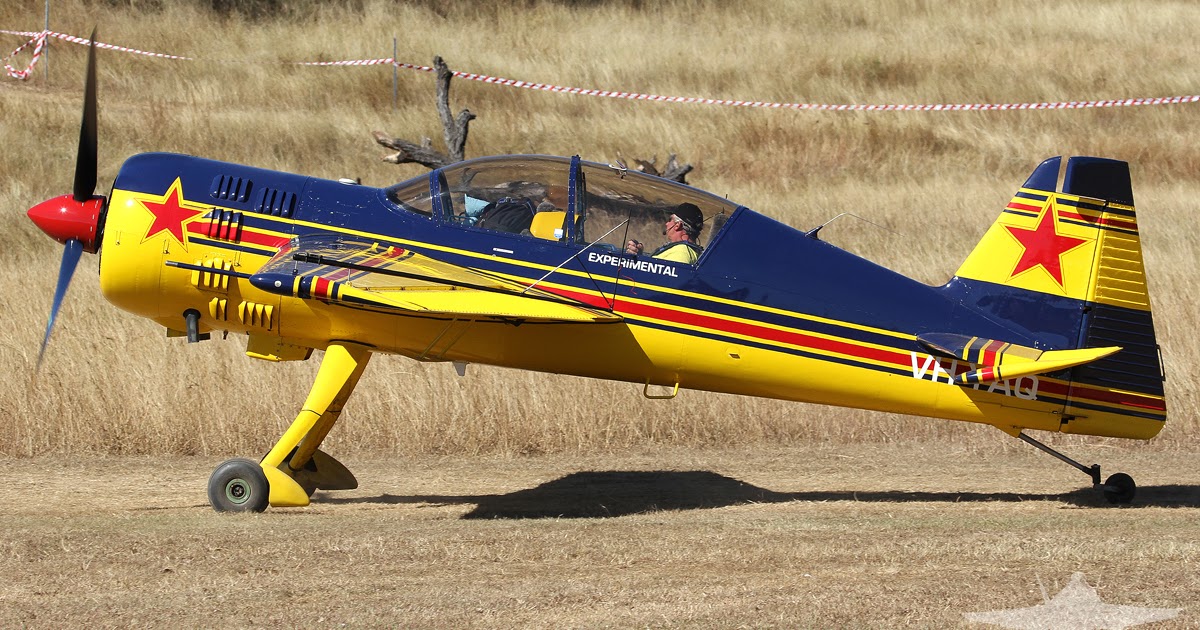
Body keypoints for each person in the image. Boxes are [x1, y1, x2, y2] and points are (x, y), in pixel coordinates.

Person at [625, 202, 704, 264]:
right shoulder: (685, 250)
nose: (667, 224)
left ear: (677, 225)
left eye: (670, 219)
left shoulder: (681, 253)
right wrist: (639, 257)